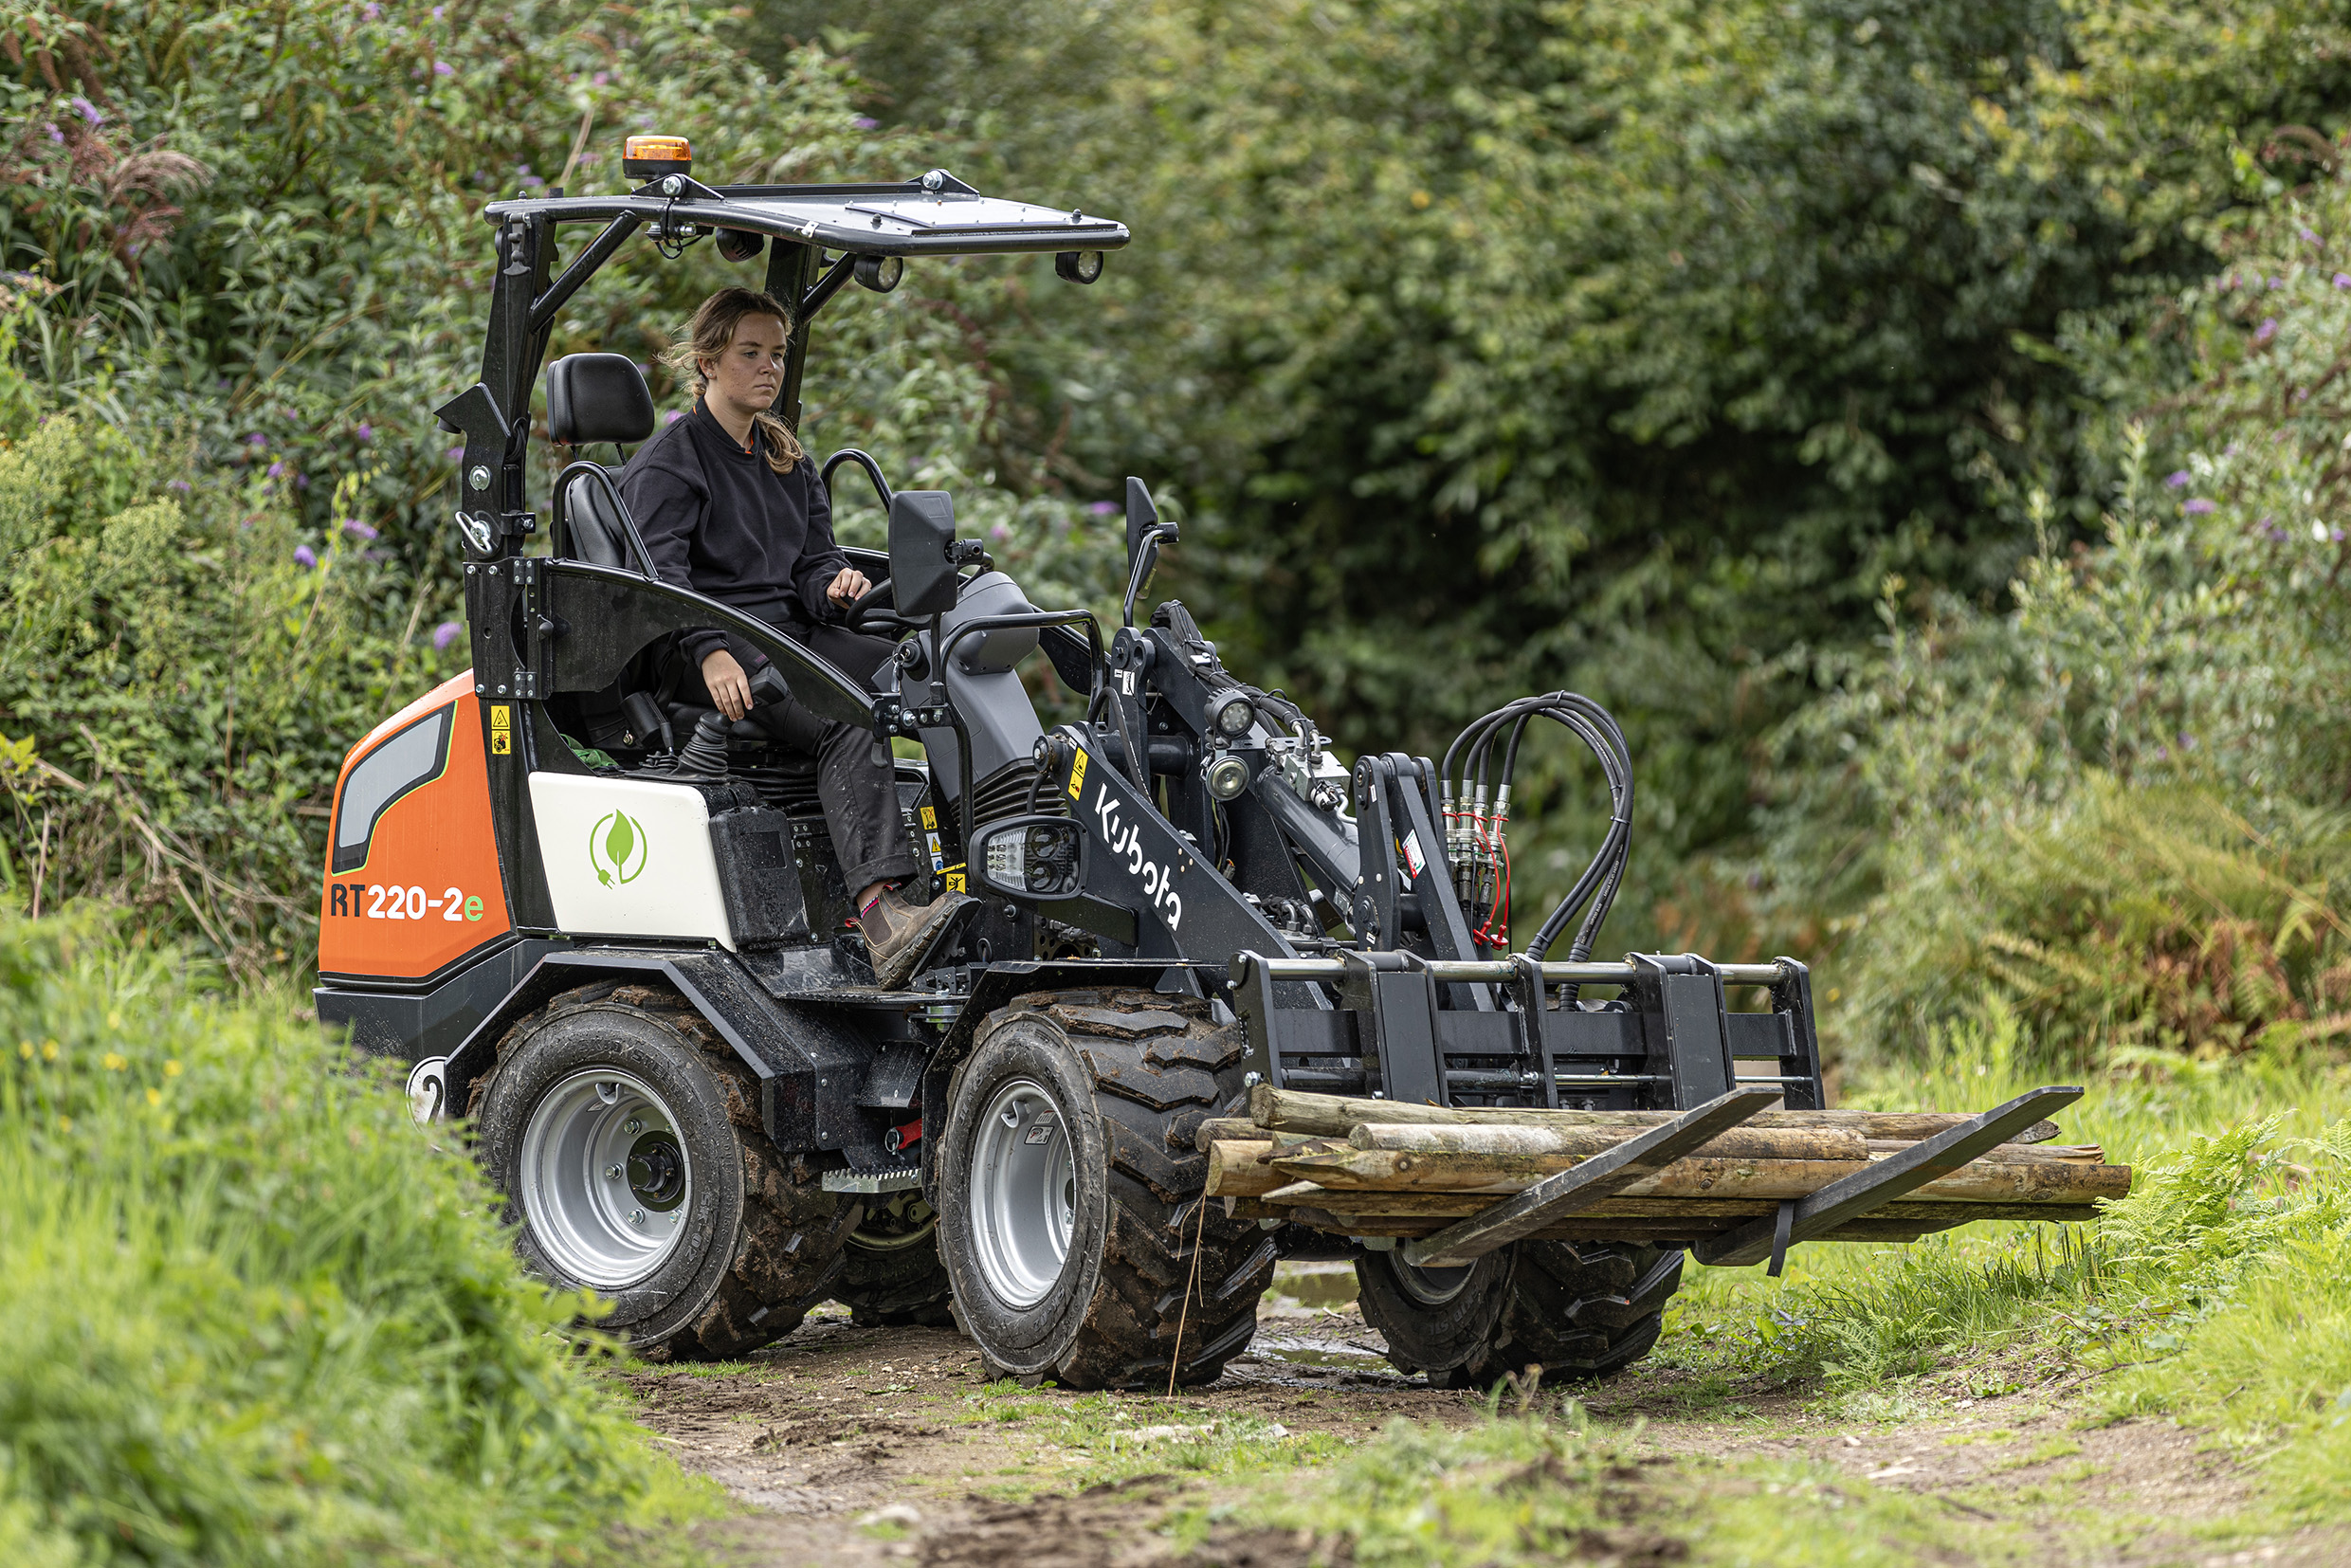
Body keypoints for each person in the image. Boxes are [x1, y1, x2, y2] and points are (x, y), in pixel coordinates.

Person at [618, 286, 968, 987]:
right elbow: (660, 580)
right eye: (750, 353)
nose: (768, 367)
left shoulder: (785, 458)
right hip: (709, 648)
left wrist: (835, 585)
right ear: (710, 360)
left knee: (933, 677)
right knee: (847, 715)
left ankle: (978, 873)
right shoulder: (672, 462)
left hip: (787, 634)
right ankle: (881, 918)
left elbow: (810, 564)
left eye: (777, 354)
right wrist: (710, 649)